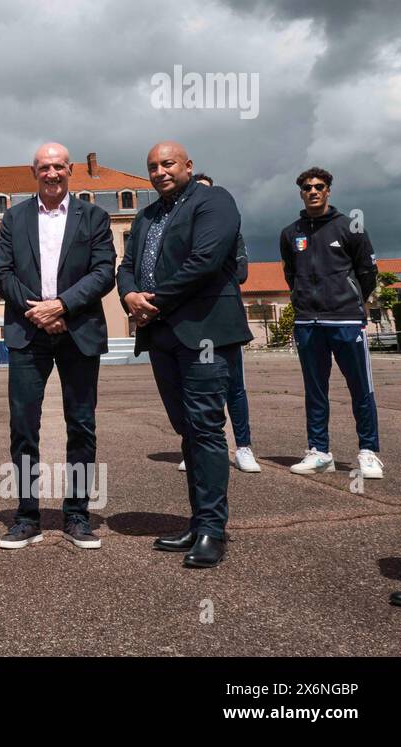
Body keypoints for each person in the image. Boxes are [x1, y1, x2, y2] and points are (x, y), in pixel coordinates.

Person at [118, 141, 251, 569]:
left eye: (168, 163)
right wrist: (128, 294)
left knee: (206, 427)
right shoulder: (145, 216)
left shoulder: (214, 201)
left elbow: (206, 261)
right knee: (186, 429)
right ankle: (198, 521)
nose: (159, 172)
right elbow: (127, 265)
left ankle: (213, 528)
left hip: (205, 332)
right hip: (163, 337)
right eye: (152, 166)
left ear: (189, 165)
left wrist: (152, 299)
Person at [0, 142, 115, 550]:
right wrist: (38, 311)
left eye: (58, 166)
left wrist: (62, 306)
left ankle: (77, 516)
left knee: (81, 426)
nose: (52, 173)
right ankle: (27, 516)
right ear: (34, 172)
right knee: (24, 426)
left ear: (70, 170)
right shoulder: (14, 217)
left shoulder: (94, 216)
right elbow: (1, 274)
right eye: (44, 167)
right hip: (29, 333)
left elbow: (103, 272)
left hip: (78, 330)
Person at [280, 167, 382, 478]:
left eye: (319, 186)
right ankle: (320, 452)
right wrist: (303, 299)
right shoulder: (290, 233)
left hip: (347, 321)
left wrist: (350, 302)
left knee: (360, 388)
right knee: (315, 390)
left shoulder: (350, 227)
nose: (313, 191)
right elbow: (290, 274)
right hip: (308, 323)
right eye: (307, 187)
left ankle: (368, 452)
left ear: (328, 191)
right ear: (301, 192)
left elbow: (367, 273)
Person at [176, 174, 259, 474]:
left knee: (234, 387)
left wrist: (202, 273)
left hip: (222, 320)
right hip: (190, 321)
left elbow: (240, 273)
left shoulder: (229, 232)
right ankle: (195, 444)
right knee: (192, 388)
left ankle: (244, 447)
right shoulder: (182, 233)